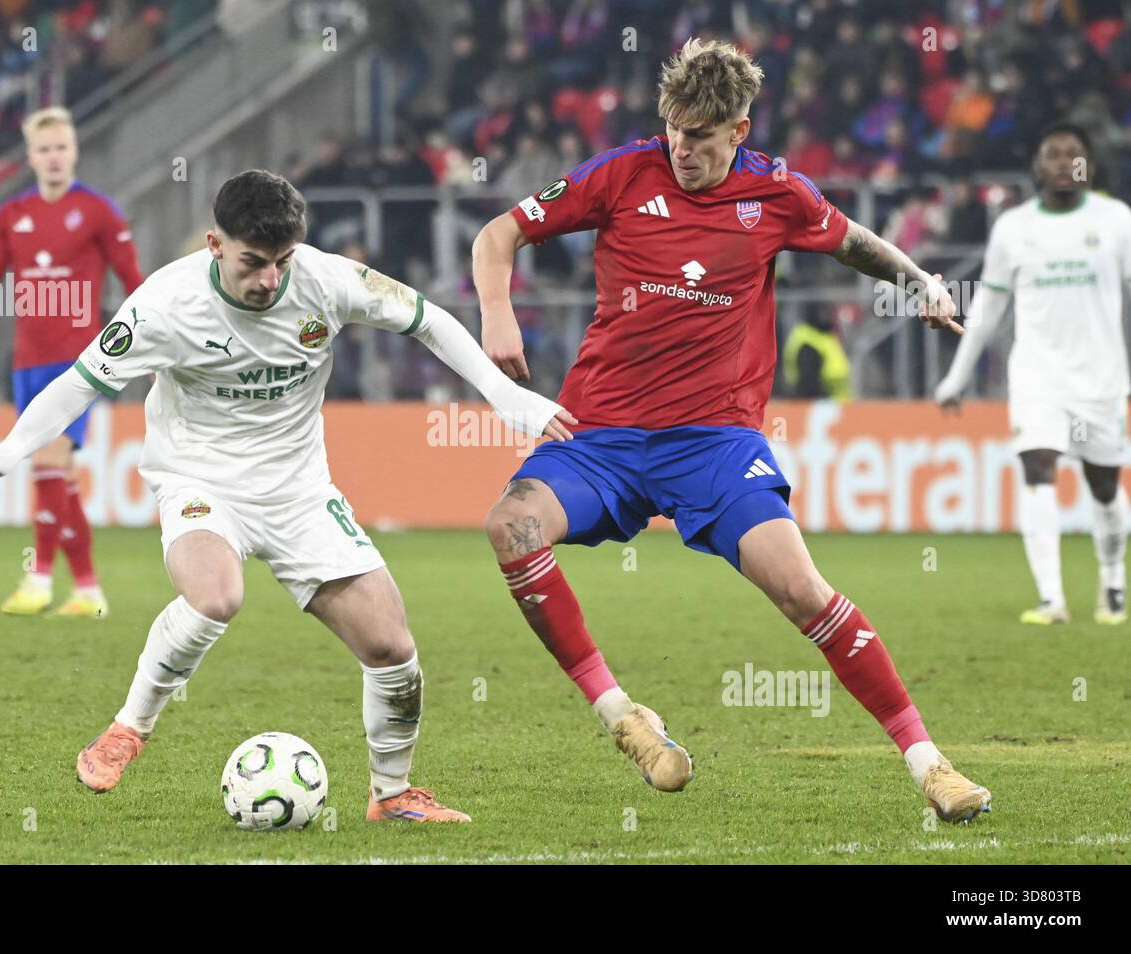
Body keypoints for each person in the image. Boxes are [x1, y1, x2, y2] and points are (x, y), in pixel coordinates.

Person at [471, 37, 990, 823]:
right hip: (603, 434)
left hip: (715, 441)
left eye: (702, 137)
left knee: (801, 589)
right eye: (675, 130)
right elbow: (496, 235)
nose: (682, 149)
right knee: (510, 526)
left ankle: (931, 765)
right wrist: (498, 312)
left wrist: (918, 281)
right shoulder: (618, 173)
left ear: (738, 131)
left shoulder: (777, 192)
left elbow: (852, 243)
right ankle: (625, 719)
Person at [0, 170, 572, 822]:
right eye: (253, 262)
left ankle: (391, 795)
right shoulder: (165, 305)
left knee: (392, 648)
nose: (270, 279)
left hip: (298, 491)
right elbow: (79, 383)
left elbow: (428, 321)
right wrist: (5, 453)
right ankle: (126, 730)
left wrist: (504, 396)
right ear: (214, 244)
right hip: (199, 479)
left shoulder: (327, 279)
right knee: (217, 595)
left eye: (281, 261)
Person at [937, 123, 1131, 625]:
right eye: (1053, 154)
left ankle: (1112, 578)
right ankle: (1052, 599)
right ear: (1037, 168)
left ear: (1088, 164)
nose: (1064, 162)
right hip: (1037, 376)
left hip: (1101, 379)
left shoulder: (1116, 222)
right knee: (1037, 467)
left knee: (1104, 485)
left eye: (1074, 153)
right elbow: (988, 308)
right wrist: (958, 376)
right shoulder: (1014, 228)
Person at [0, 107, 144, 618]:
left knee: (45, 461)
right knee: (57, 474)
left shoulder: (99, 211)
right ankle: (88, 589)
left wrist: (156, 337)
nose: (54, 157)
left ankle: (39, 579)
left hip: (79, 362)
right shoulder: (11, 214)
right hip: (27, 361)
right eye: (44, 149)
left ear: (75, 151)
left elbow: (132, 277)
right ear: (31, 157)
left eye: (61, 147)